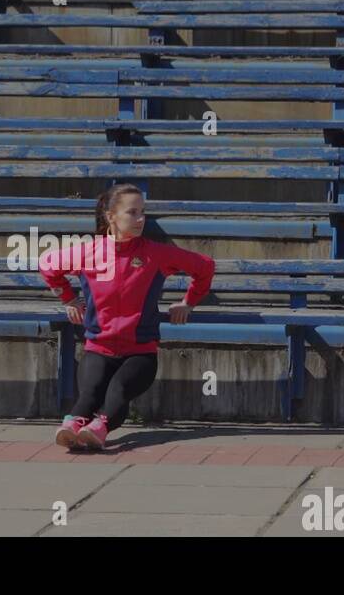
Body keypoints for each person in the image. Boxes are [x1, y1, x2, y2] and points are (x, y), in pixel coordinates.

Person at [38, 183, 215, 450]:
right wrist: (69, 299)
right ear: (111, 216)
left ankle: (97, 430)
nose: (140, 219)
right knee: (89, 393)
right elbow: (47, 265)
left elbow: (205, 267)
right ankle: (70, 428)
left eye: (142, 212)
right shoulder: (88, 253)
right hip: (99, 347)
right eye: (132, 212)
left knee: (117, 391)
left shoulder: (155, 253)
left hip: (140, 352)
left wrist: (188, 303)